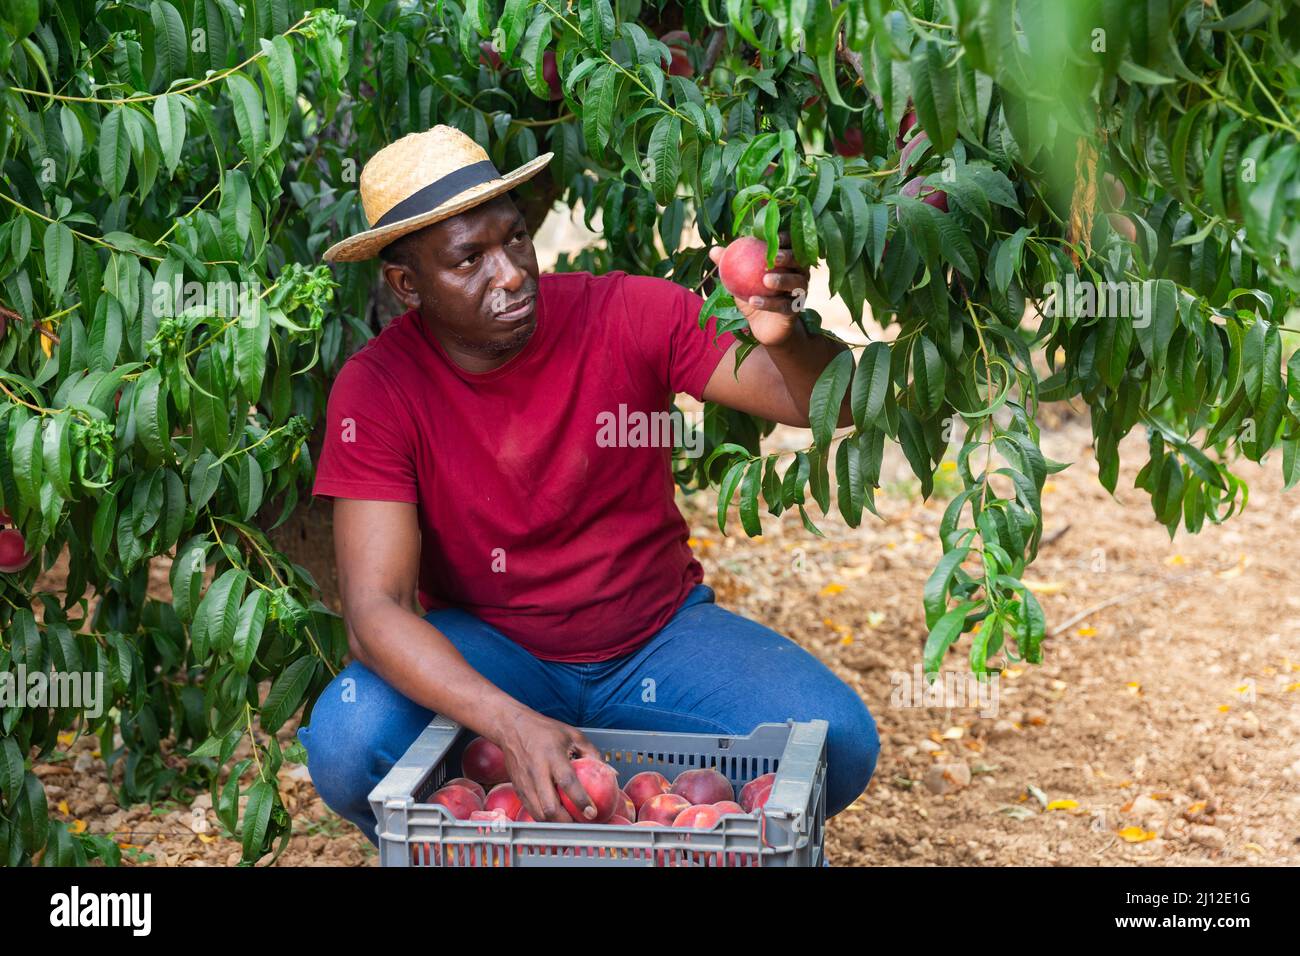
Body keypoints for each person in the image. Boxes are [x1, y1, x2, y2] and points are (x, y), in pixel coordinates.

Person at [298, 124, 879, 847]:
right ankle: (468, 840)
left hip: (654, 640)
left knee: (842, 741)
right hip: (492, 652)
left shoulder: (627, 312)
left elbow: (829, 405)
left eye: (513, 239)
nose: (509, 273)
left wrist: (782, 338)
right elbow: (374, 611)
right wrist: (508, 720)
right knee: (348, 741)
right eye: (468, 259)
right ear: (407, 284)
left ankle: (631, 824)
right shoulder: (378, 388)